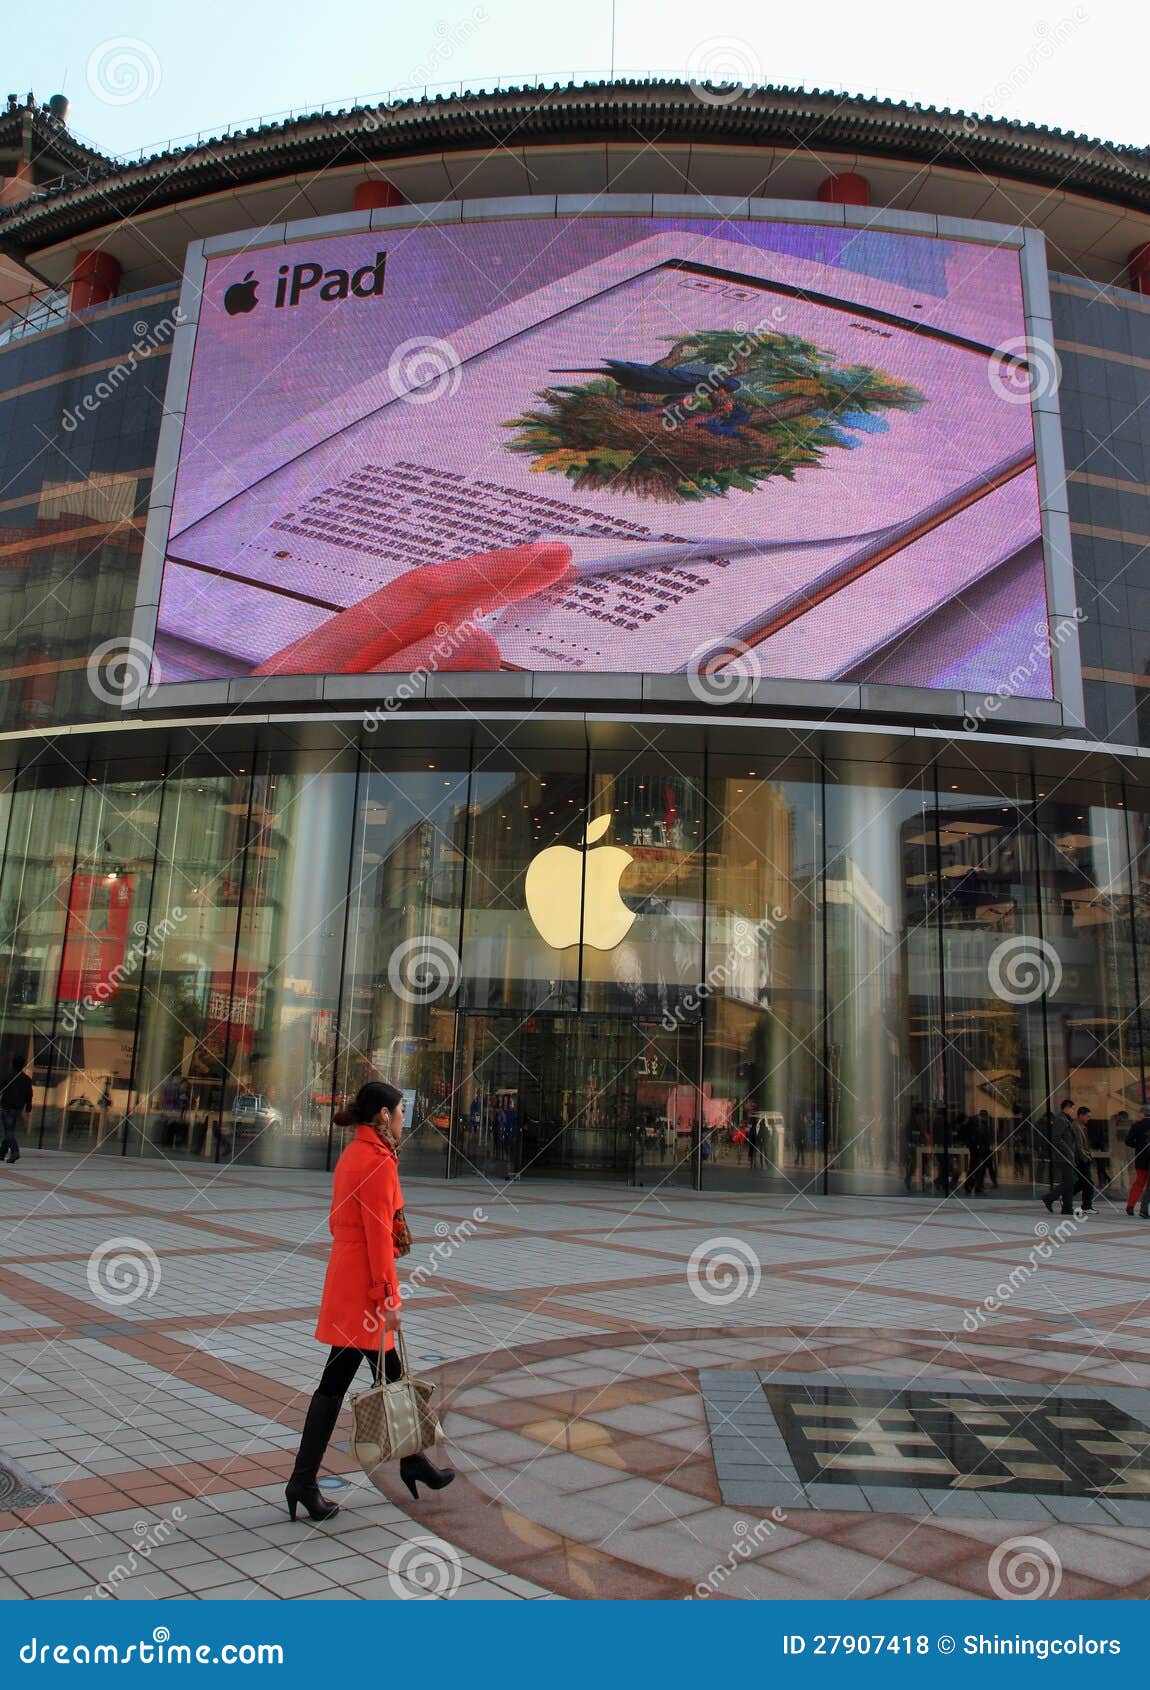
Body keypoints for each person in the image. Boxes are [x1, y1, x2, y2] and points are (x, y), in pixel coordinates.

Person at [285, 1080, 453, 1522]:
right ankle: (303, 1481)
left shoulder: (355, 1154)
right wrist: (389, 1297)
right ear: (383, 1115)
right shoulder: (377, 1162)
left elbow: (342, 1223)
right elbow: (379, 1237)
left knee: (389, 1373)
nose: (403, 1119)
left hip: (350, 1280)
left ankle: (411, 1460)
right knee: (342, 1381)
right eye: (400, 1112)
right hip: (364, 1289)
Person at [1042, 1099, 1093, 1215]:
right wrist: (1069, 1151)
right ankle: (1049, 1198)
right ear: (1066, 1108)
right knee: (1071, 1181)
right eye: (1072, 1108)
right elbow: (1056, 1138)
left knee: (1069, 1182)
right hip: (1063, 1157)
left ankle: (1067, 1208)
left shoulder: (1066, 1120)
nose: (1073, 1111)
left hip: (1068, 1156)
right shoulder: (1060, 1120)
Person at [0, 1055, 32, 1163]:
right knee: (9, 1131)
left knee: (8, 1132)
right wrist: (28, 1110)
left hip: (7, 1107)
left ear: (12, 1065)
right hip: (18, 1109)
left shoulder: (8, 1077)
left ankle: (15, 1152)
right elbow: (29, 1096)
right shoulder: (27, 1079)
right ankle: (2, 1153)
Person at [1124, 1112, 1150, 1218]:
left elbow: (1128, 1141)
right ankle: (1144, 1209)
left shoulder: (1137, 1125)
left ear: (1143, 1113)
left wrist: (1139, 1146)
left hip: (1141, 1158)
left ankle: (1130, 1206)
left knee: (1139, 1183)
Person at [902, 1102, 926, 1191]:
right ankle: (908, 1178)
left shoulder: (921, 1124)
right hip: (913, 1147)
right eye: (920, 1114)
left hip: (920, 1147)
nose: (921, 1117)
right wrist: (911, 1143)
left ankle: (919, 1181)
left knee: (922, 1163)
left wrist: (922, 1141)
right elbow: (908, 1135)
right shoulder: (911, 1124)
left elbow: (922, 1135)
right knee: (914, 1163)